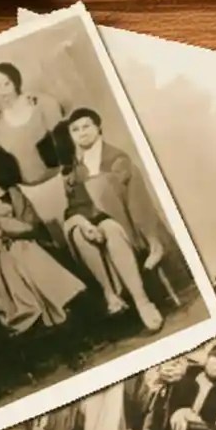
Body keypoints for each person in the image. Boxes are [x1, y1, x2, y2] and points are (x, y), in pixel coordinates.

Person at [0, 151, 86, 336]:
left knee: (24, 251)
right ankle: (32, 314)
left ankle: (60, 305)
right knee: (9, 260)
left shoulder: (13, 193)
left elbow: (31, 225)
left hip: (25, 245)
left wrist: (8, 228)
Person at [61, 107, 165, 331]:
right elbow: (72, 207)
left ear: (98, 127)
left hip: (123, 220)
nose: (82, 132)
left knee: (110, 229)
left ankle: (142, 301)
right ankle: (111, 295)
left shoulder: (117, 158)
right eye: (75, 129)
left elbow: (128, 198)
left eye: (87, 126)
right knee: (79, 235)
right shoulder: (72, 169)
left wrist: (97, 198)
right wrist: (84, 223)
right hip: (91, 223)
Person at [0, 63, 66, 185]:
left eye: (7, 84)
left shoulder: (42, 103)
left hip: (58, 178)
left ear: (16, 82)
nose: (3, 91)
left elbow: (64, 140)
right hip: (25, 188)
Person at [144, 346, 216, 430]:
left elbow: (213, 424)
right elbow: (165, 404)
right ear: (206, 361)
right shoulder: (185, 376)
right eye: (213, 363)